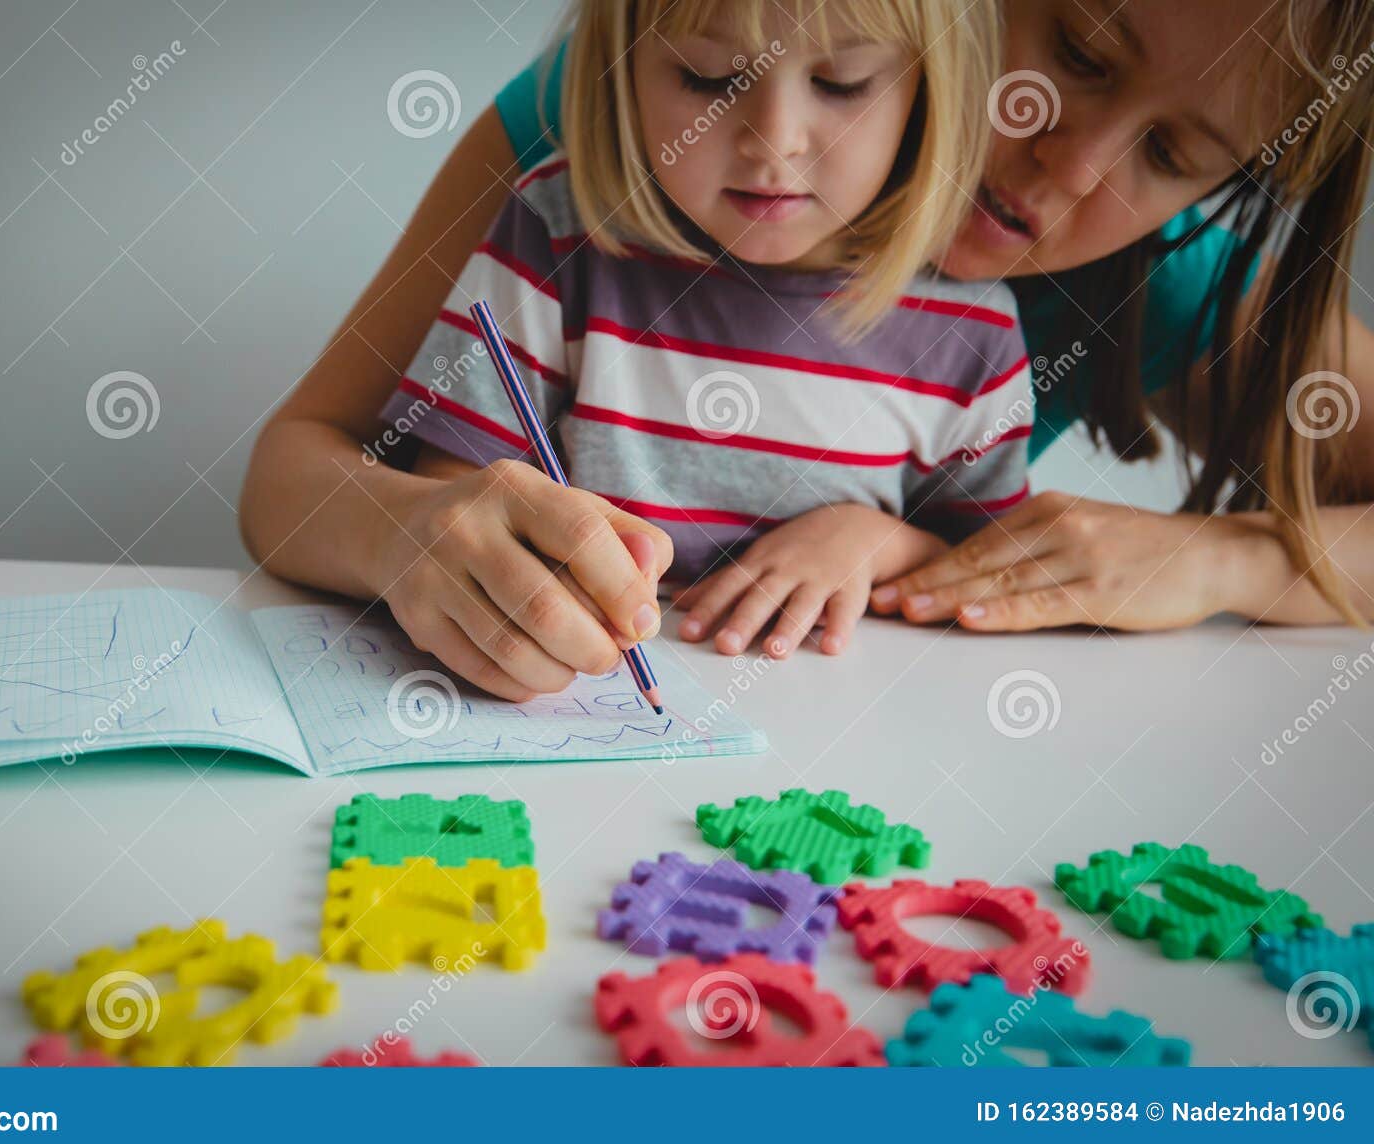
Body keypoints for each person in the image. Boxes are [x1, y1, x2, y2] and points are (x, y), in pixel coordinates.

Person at [240, 0, 1374, 703]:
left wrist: (1230, 561)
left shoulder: (1160, 272)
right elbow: (298, 463)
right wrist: (409, 530)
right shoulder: (654, 99)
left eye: (1175, 151)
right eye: (1077, 49)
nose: (1069, 169)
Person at [378, 0, 1032, 684]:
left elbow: (985, 566)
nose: (774, 143)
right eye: (708, 77)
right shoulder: (556, 238)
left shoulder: (972, 329)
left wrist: (875, 542)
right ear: (623, 72)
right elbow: (456, 505)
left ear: (930, 93)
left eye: (841, 83)